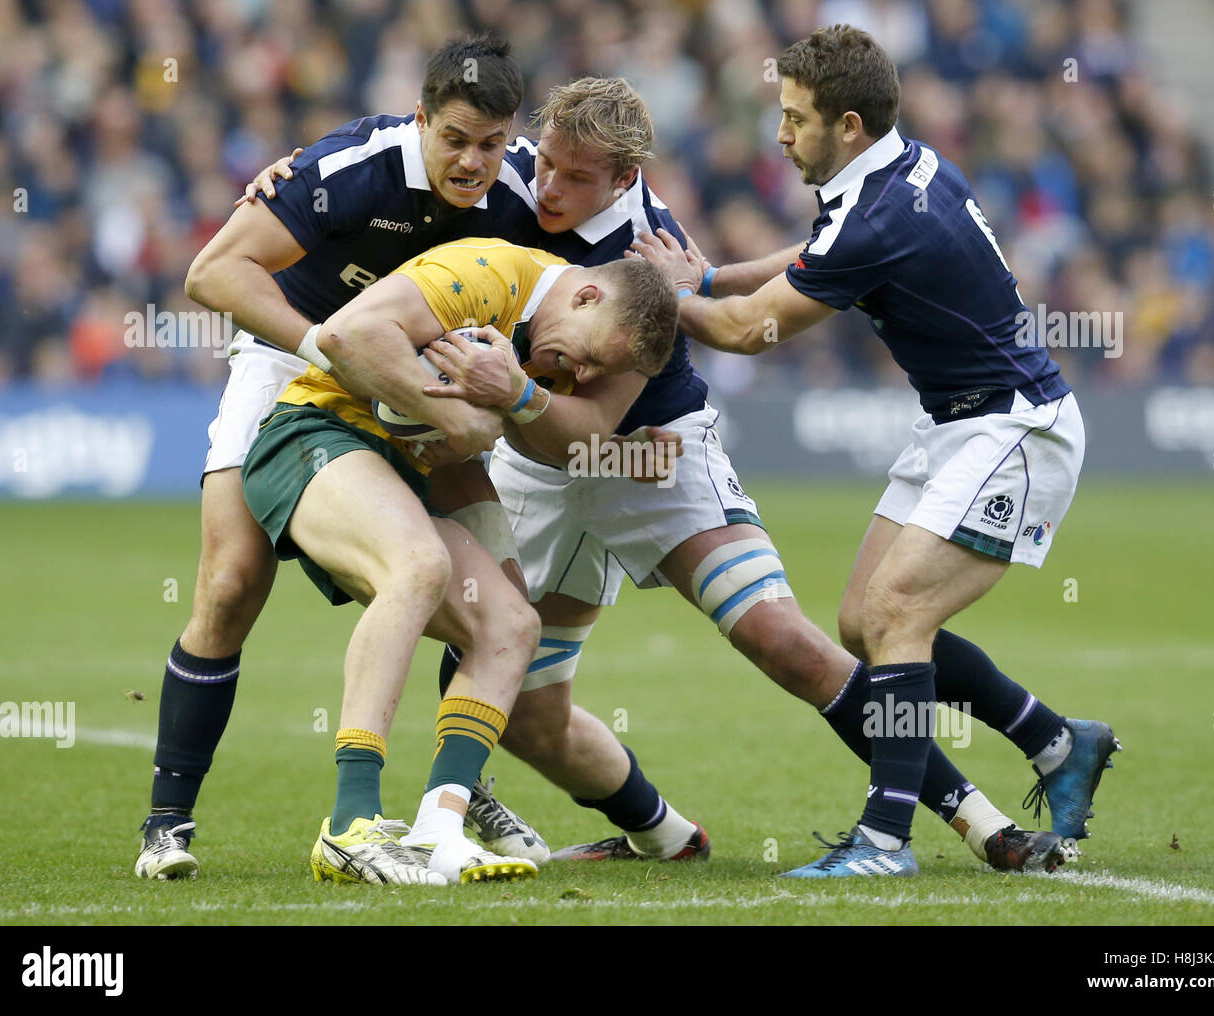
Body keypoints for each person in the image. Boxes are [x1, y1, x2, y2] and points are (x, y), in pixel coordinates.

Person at [393, 77, 1074, 873]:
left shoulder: (637, 254)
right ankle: (666, 836)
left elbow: (579, 431)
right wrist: (297, 177)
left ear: (624, 181)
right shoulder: (509, 168)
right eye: (545, 163)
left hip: (651, 456)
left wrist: (508, 392)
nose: (548, 186)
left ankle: (980, 821)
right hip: (544, 463)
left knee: (787, 644)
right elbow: (406, 143)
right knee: (528, 707)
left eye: (576, 178)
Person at [635, 26, 1119, 877]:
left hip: (1015, 429)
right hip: (958, 423)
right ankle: (1056, 739)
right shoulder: (894, 172)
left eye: (794, 119)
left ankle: (885, 840)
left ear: (848, 123)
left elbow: (752, 336)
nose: (779, 135)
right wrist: (709, 279)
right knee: (864, 622)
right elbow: (815, 256)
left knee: (898, 616)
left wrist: (666, 296)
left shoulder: (884, 210)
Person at [133, 35, 546, 881]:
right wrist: (327, 347)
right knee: (232, 582)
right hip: (298, 361)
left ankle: (456, 794)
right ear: (421, 117)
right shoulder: (352, 165)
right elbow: (213, 275)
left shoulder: (530, 183)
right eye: (456, 138)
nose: (474, 162)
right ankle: (166, 823)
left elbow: (608, 202)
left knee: (497, 594)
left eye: (492, 143)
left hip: (428, 383)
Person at [236, 236, 675, 884]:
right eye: (586, 358)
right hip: (314, 436)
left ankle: (440, 825)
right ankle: (350, 824)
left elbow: (580, 436)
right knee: (418, 565)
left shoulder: (549, 347)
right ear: (584, 297)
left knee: (512, 627)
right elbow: (346, 336)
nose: (579, 376)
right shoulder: (488, 272)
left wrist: (519, 399)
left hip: (420, 472)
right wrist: (464, 420)